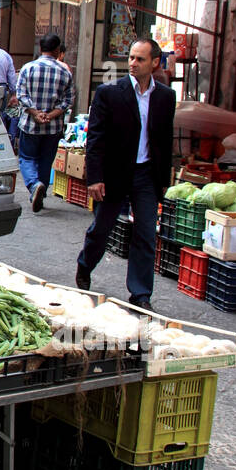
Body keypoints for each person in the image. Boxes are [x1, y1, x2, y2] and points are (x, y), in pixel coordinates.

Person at [75, 38, 176, 310]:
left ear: (155, 63)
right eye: (131, 57)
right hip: (114, 174)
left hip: (146, 175)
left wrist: (163, 180)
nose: (133, 63)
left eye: (140, 59)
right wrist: (94, 177)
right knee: (102, 228)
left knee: (145, 233)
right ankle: (85, 264)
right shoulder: (110, 93)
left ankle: (141, 294)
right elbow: (95, 138)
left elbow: (165, 139)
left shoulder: (165, 97)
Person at [16, 34, 75, 215]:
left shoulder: (28, 68)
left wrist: (35, 112)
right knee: (45, 159)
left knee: (27, 157)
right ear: (57, 50)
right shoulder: (65, 71)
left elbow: (21, 95)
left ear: (40, 48)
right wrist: (50, 115)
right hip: (53, 126)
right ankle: (40, 193)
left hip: (30, 124)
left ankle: (35, 186)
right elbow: (68, 100)